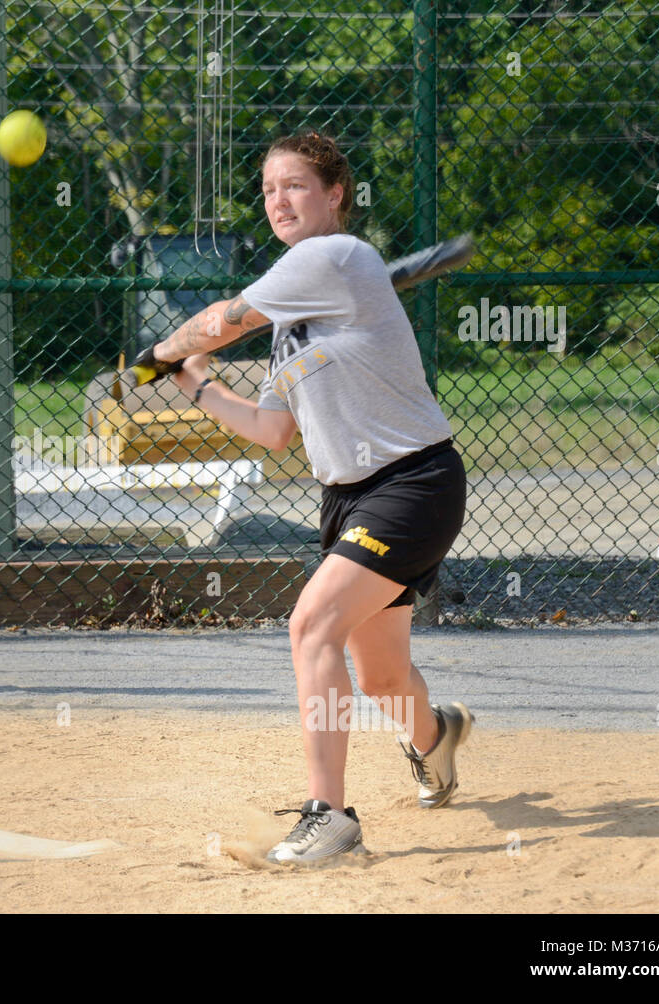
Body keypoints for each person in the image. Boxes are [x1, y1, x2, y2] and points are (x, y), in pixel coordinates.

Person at [146, 131, 471, 863]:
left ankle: (331, 815)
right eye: (268, 190)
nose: (279, 200)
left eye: (295, 185)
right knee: (384, 676)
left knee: (310, 628)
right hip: (349, 499)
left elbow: (227, 318)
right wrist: (192, 381)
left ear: (334, 196)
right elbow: (272, 430)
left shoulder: (337, 258)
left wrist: (164, 350)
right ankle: (437, 737)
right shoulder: (295, 311)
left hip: (412, 481)